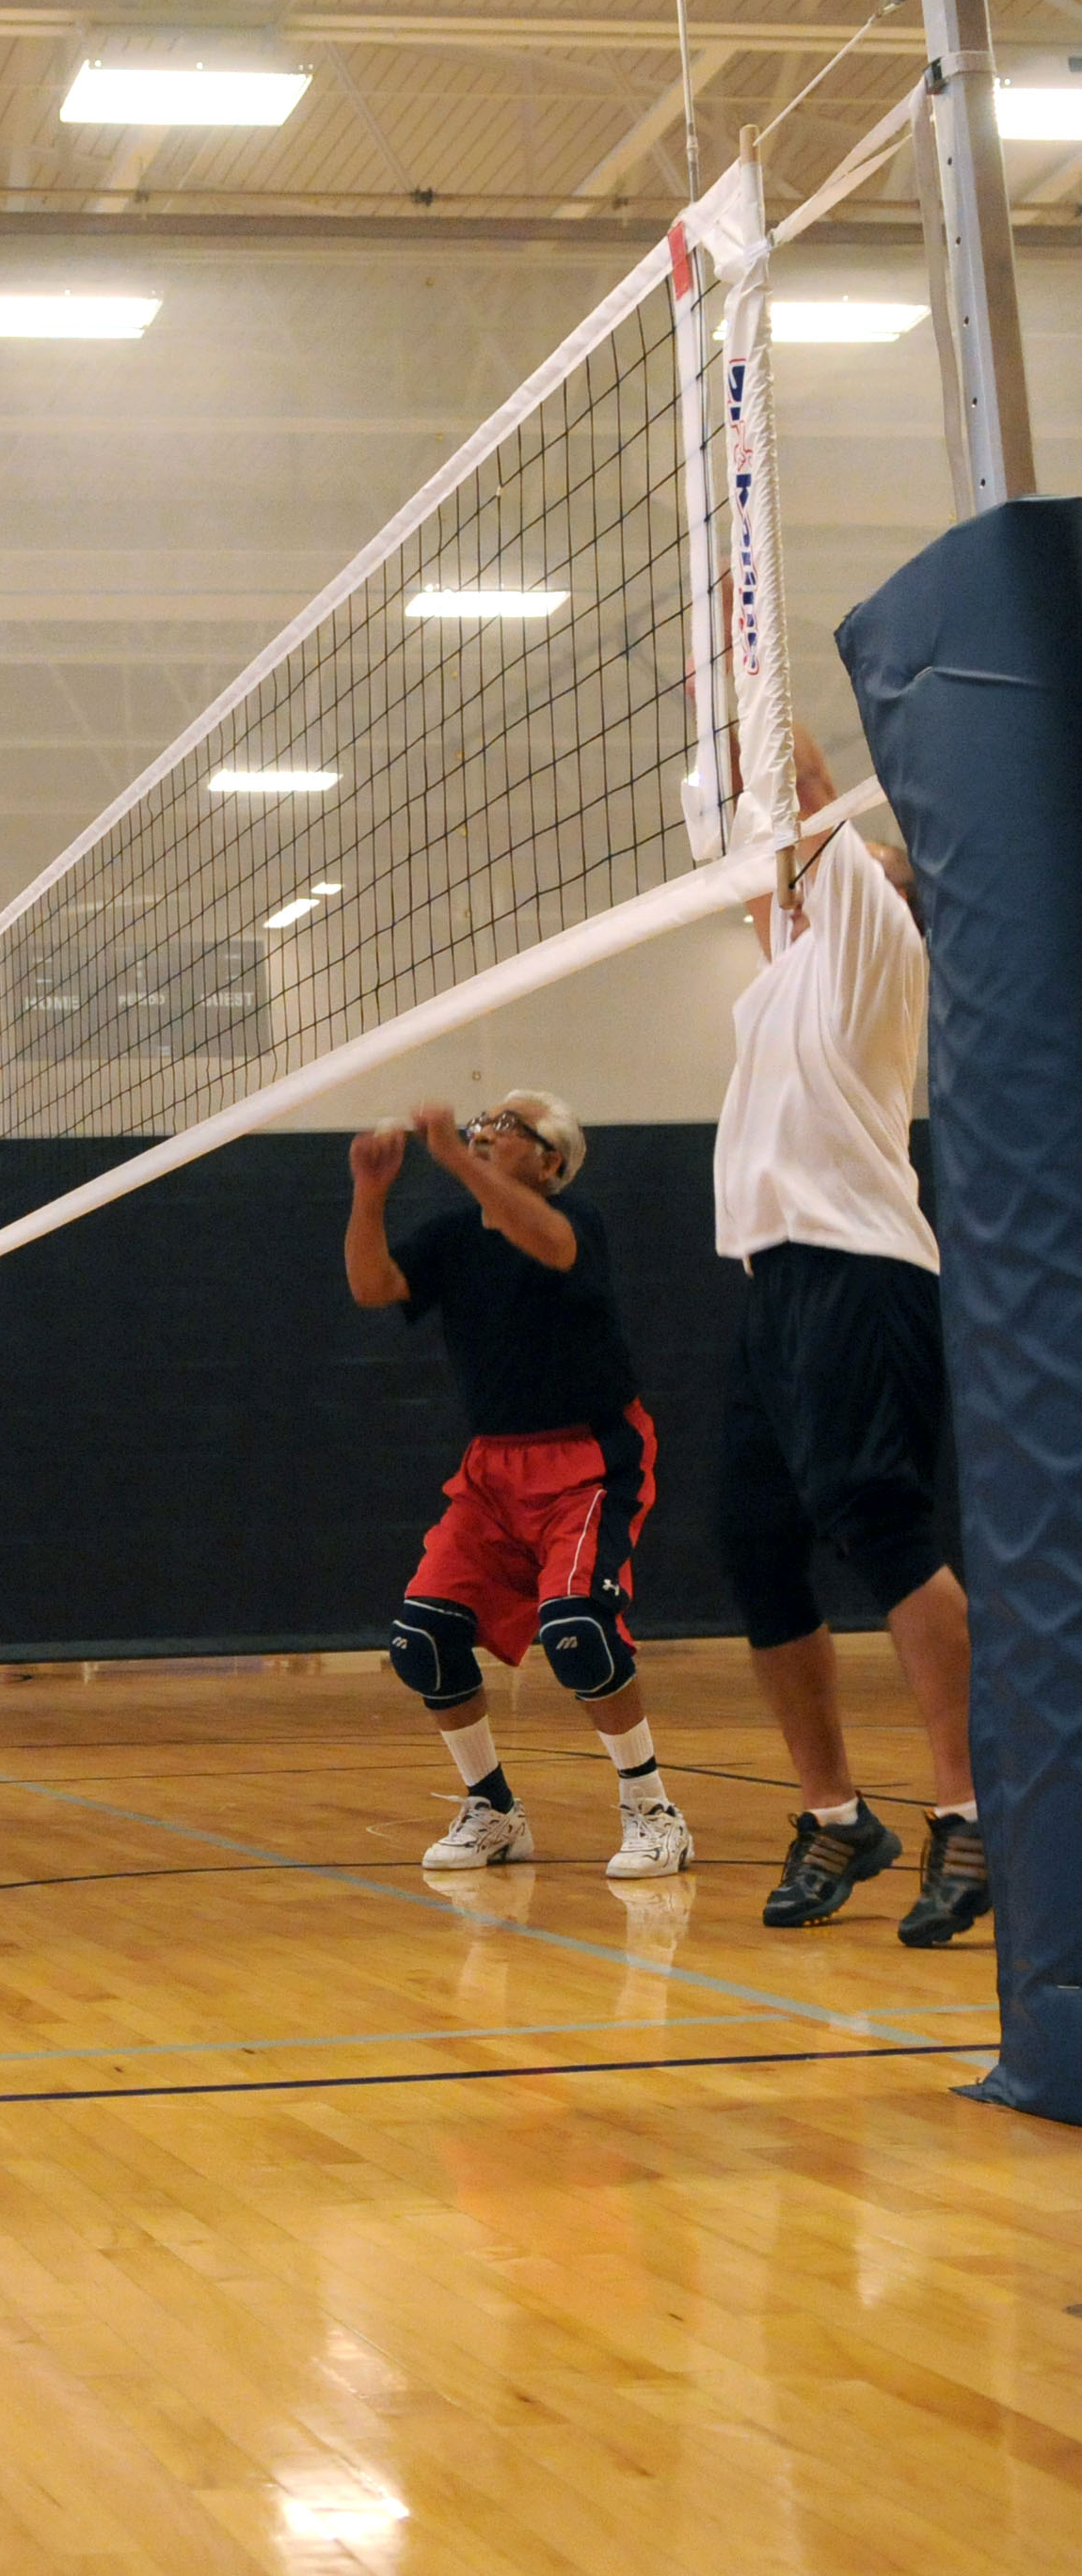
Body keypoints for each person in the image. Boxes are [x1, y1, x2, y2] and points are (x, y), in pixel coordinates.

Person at [715, 725, 987, 1946]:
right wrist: (723, 706)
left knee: (881, 1530)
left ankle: (972, 1812)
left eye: (848, 854)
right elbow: (756, 830)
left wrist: (761, 674)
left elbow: (806, 803)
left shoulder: (880, 938)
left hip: (861, 1268)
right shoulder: (791, 965)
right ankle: (836, 1814)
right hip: (771, 1278)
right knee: (755, 1544)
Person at [346, 1092, 692, 1879]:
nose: (487, 1131)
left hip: (589, 1459)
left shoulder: (576, 1220)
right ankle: (494, 1811)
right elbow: (373, 1286)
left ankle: (653, 1811)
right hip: (493, 1468)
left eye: (510, 1127)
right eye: (485, 1122)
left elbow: (550, 1244)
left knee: (578, 1631)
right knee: (421, 1641)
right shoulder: (453, 1236)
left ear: (552, 1162)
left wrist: (458, 1161)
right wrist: (370, 1192)